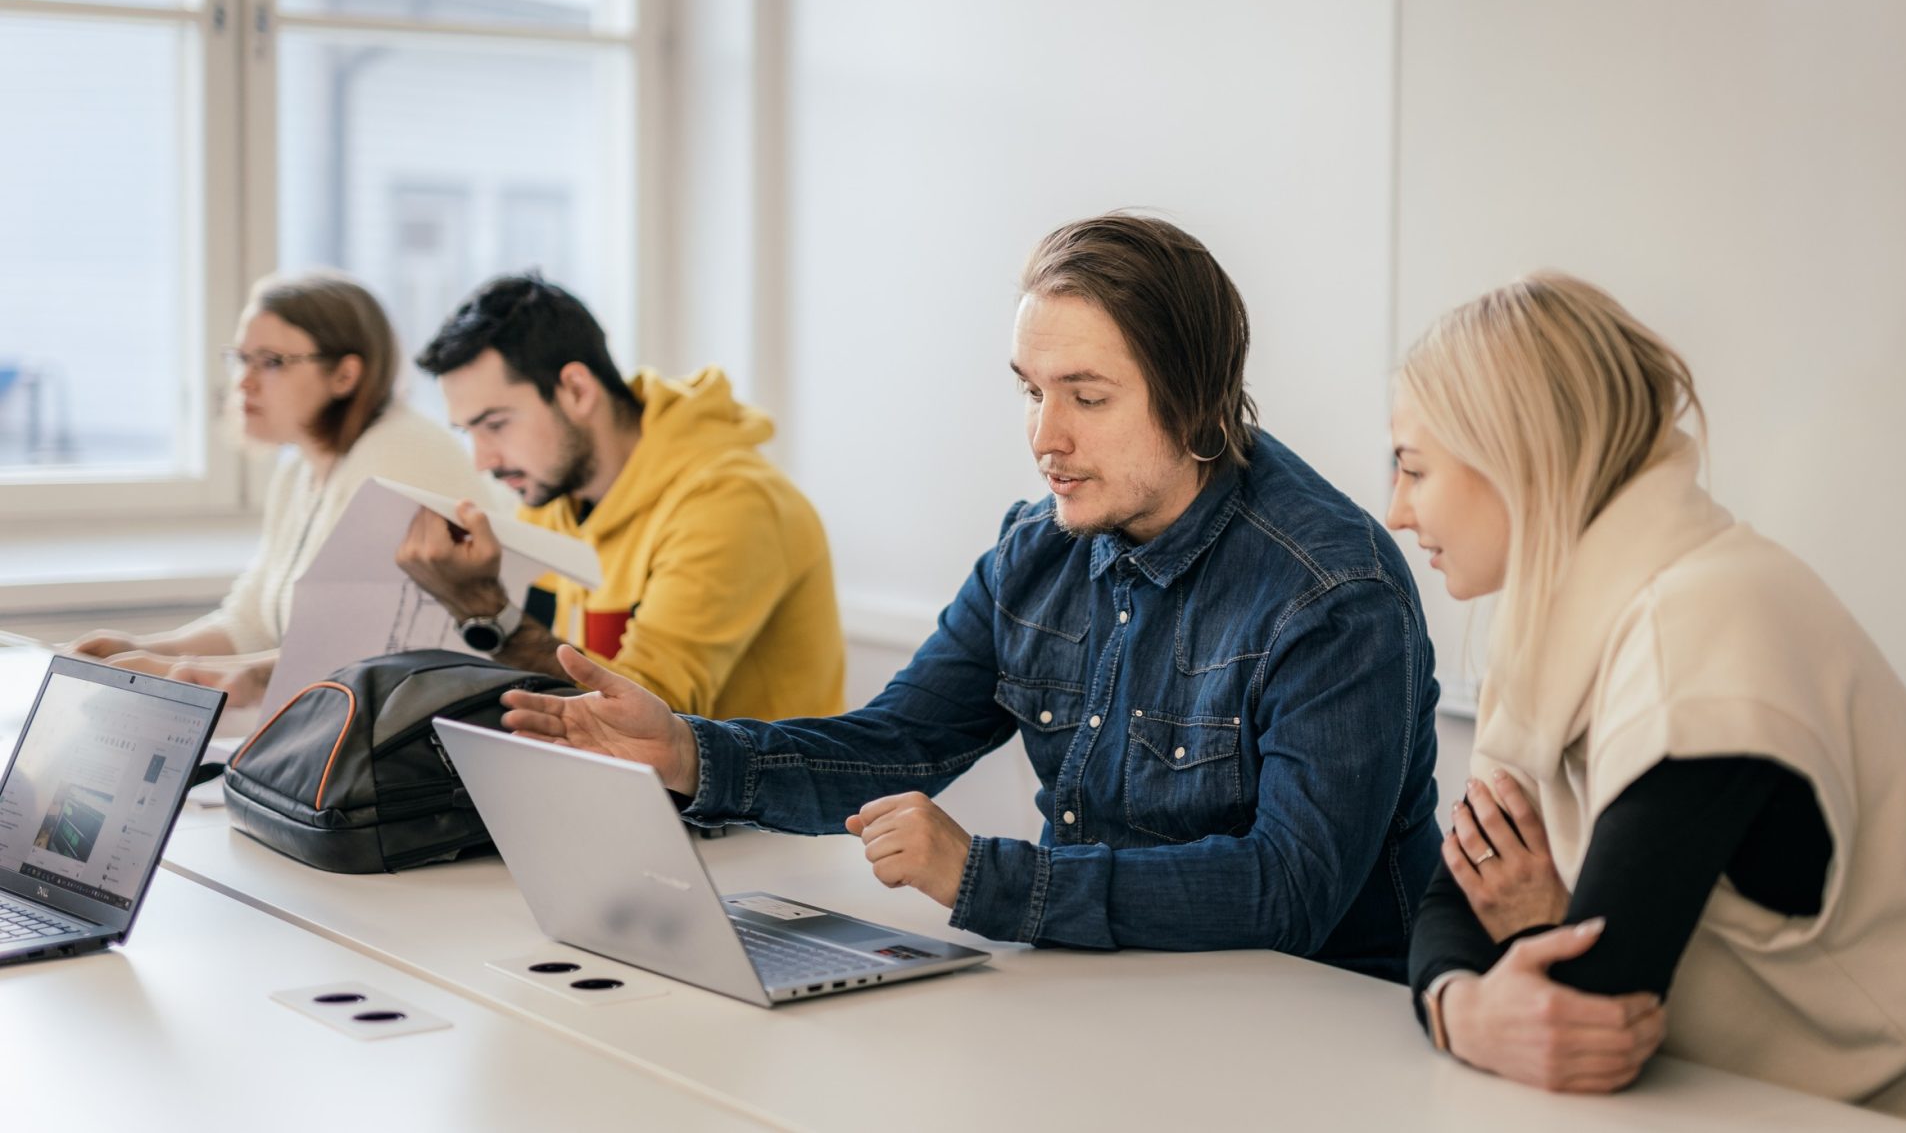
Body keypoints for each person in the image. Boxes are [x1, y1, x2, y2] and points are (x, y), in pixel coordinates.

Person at [499, 214, 1443, 977]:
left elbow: (1290, 889)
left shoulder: (1331, 590)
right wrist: (691, 753)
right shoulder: (1037, 550)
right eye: (1031, 391)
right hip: (1115, 993)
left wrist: (987, 879)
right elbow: (897, 743)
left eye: (1087, 397)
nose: (1045, 437)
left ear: (1195, 396)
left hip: (1317, 1030)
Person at [1391, 272, 1906, 1130]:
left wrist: (1533, 927)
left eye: (1413, 470)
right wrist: (1462, 1007)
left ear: (1515, 457)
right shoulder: (1550, 616)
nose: (1396, 511)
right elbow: (1456, 898)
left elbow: (1593, 1013)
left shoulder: (1700, 629)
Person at [395, 274, 843, 720]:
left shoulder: (733, 501)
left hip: (736, 770)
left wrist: (487, 614)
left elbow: (654, 717)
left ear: (577, 390)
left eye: (495, 425)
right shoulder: (552, 495)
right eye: (468, 432)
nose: (483, 460)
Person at [65, 272, 488, 707]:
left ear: (345, 375)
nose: (243, 382)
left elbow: (369, 651)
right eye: (241, 359)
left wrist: (176, 671)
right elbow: (250, 622)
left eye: (270, 362)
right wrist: (145, 649)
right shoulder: (298, 470)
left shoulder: (399, 454)